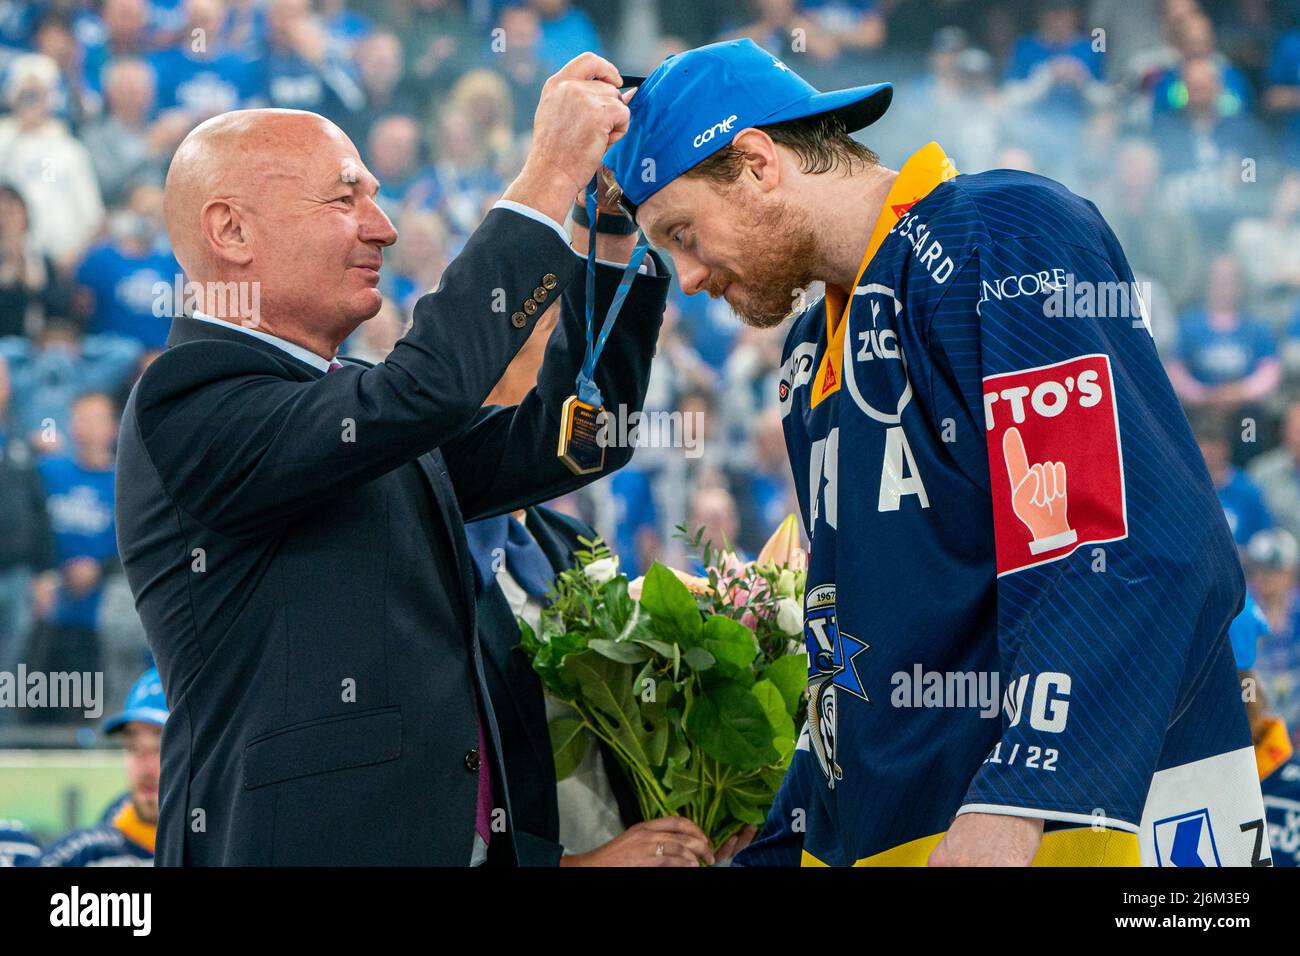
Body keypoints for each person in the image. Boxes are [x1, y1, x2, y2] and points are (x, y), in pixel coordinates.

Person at [605, 38, 1269, 866]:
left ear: (757, 161)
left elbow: (1115, 545)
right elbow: (850, 640)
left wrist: (1022, 795)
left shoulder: (1002, 233)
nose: (691, 277)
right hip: (906, 834)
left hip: (1063, 829)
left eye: (683, 233)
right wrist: (787, 838)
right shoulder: (811, 351)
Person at [115, 52, 669, 866]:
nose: (384, 226)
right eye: (347, 198)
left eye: (375, 196)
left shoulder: (362, 405)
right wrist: (549, 171)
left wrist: (606, 226)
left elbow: (580, 439)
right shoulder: (189, 403)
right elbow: (429, 388)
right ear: (230, 230)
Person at [36, 667, 165, 866]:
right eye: (134, 748)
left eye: (161, 749)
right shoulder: (87, 855)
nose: (146, 769)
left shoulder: (223, 845)